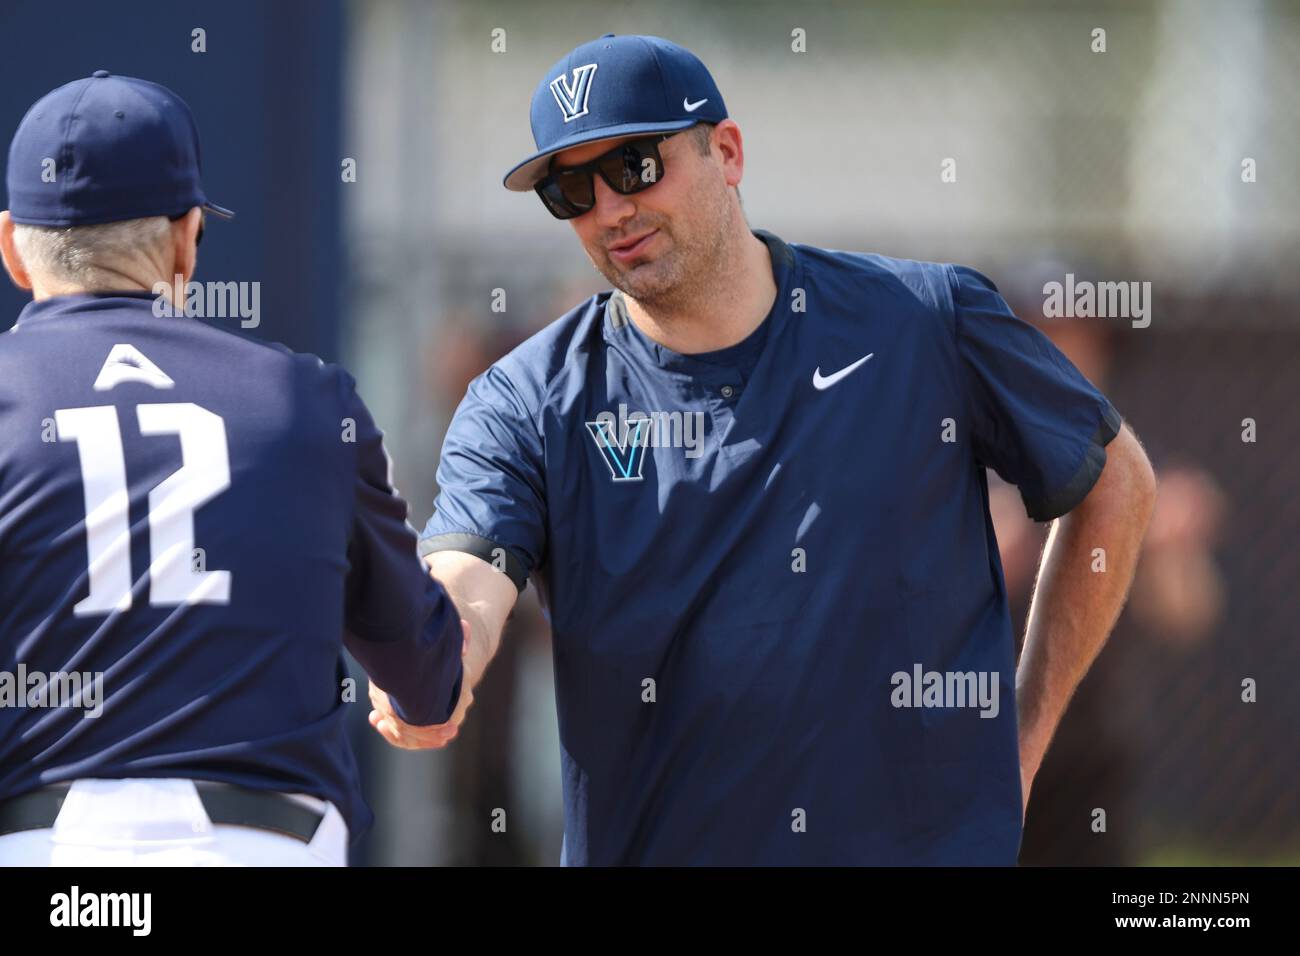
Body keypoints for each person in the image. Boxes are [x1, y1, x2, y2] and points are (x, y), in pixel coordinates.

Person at [369, 35, 1157, 865]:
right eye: (571, 189)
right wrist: (433, 648)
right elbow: (468, 576)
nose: (609, 209)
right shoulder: (528, 401)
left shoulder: (921, 321)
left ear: (728, 151)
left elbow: (1115, 479)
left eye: (635, 166)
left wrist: (1022, 741)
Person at [0, 72, 467, 866]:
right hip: (263, 842)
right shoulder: (303, 397)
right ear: (187, 239)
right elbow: (427, 681)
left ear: (13, 247)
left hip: (44, 851)